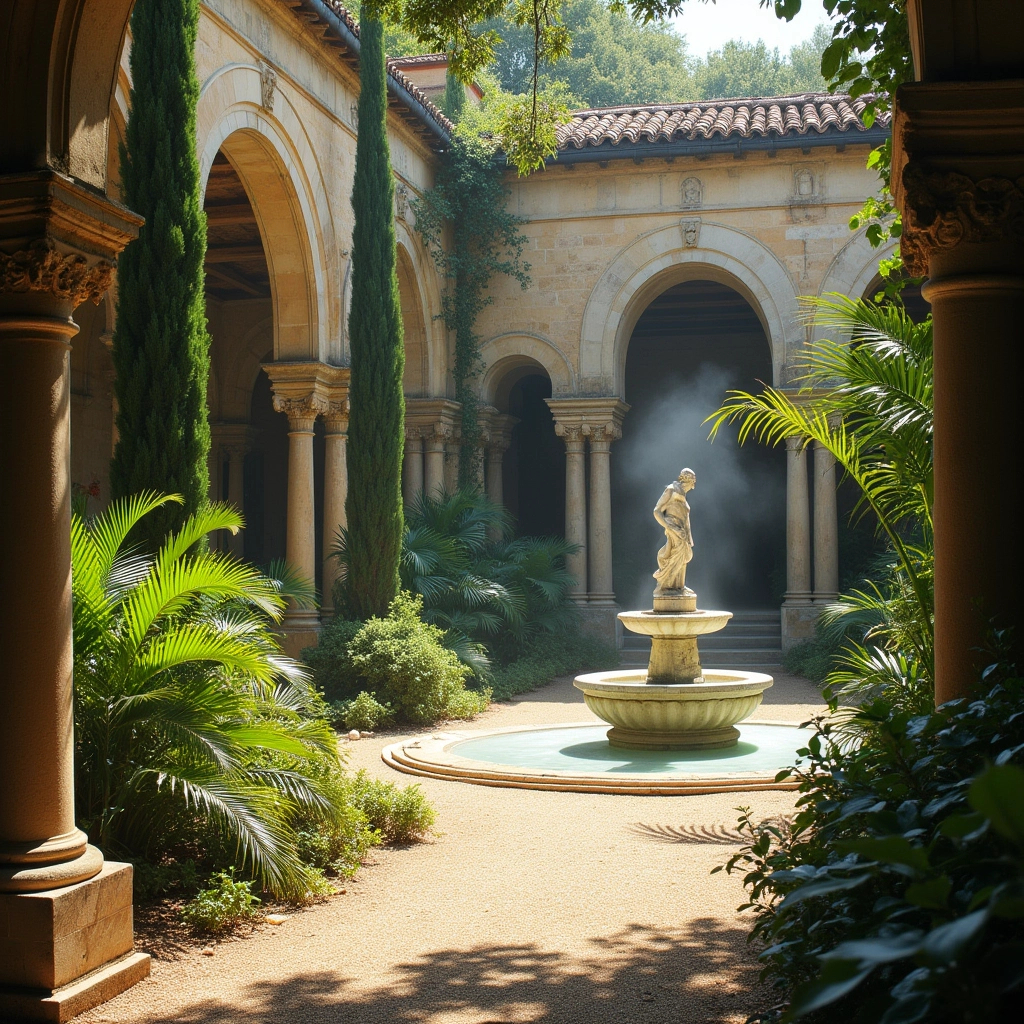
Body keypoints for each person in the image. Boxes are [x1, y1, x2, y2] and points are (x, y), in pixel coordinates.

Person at [653, 468, 696, 596]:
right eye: (693, 482)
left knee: (682, 556)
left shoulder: (682, 493)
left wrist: (688, 537)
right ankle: (665, 586)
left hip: (682, 530)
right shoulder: (671, 490)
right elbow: (657, 511)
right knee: (676, 554)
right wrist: (669, 527)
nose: (693, 486)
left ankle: (679, 587)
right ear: (688, 480)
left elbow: (685, 517)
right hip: (674, 528)